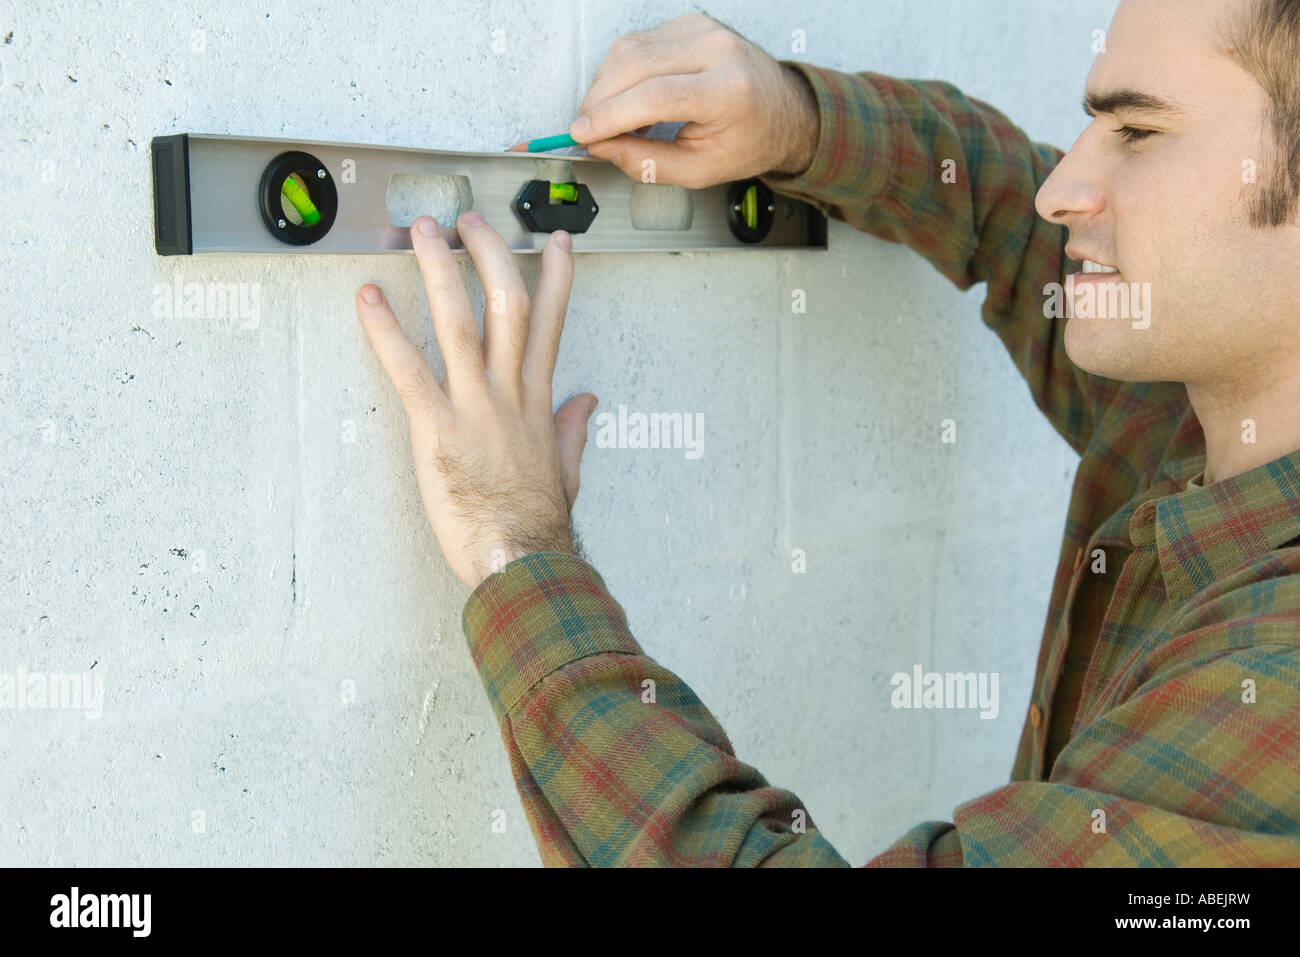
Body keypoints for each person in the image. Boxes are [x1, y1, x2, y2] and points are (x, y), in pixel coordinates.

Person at [354, 2, 1300, 865]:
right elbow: (1006, 209)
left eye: (1137, 131)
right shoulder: (1186, 408)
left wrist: (517, 549)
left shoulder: (1273, 683)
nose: (1064, 187)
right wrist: (796, 123)